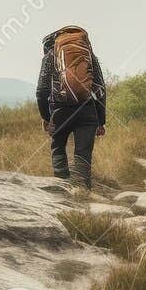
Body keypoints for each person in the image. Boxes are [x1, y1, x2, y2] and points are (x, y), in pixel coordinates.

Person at [37, 26, 106, 191]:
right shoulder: (89, 55)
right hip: (87, 109)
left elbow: (41, 91)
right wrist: (100, 121)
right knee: (83, 154)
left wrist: (47, 118)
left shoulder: (49, 57)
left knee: (58, 146)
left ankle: (62, 189)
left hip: (60, 111)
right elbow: (100, 89)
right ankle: (83, 193)